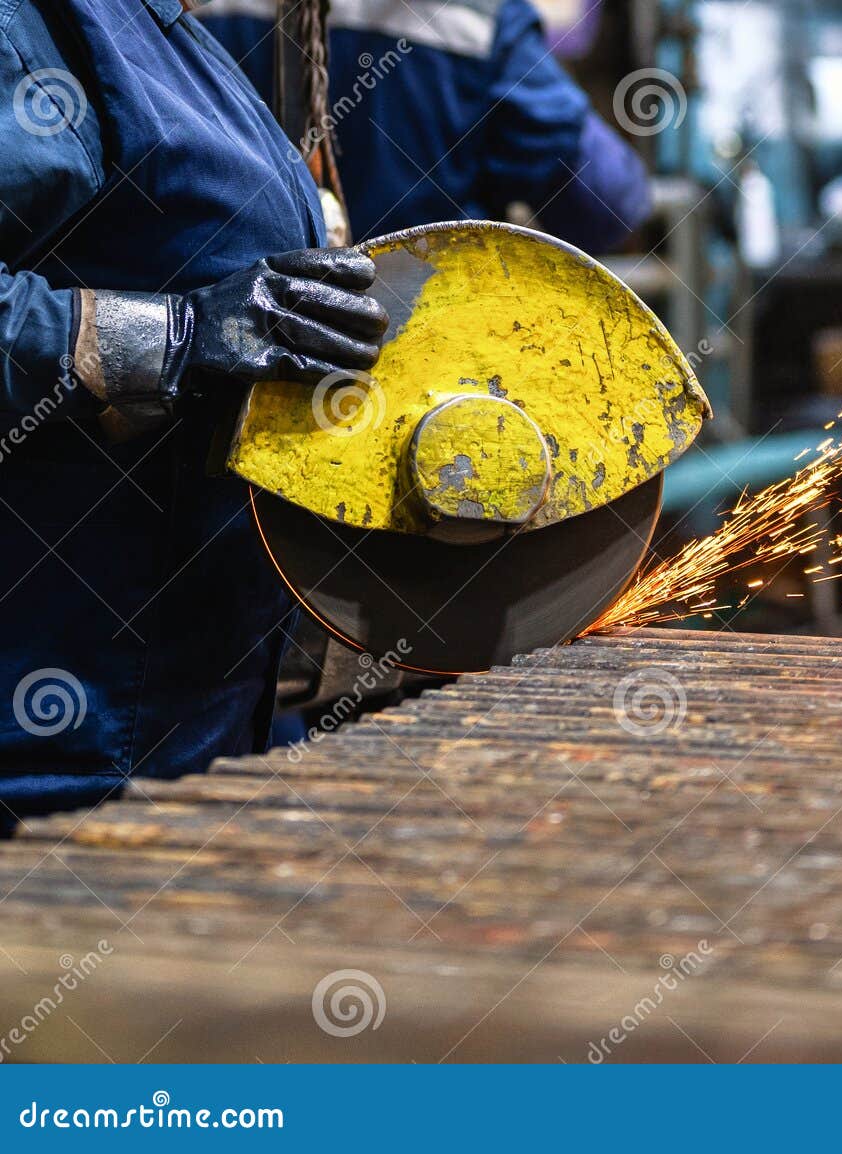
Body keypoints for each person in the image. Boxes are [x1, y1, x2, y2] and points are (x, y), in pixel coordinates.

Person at [0, 0, 389, 822]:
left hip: (193, 723)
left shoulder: (149, 25)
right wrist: (175, 338)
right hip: (61, 749)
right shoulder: (31, 25)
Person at [195, 0, 653, 252]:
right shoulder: (478, 17)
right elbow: (607, 204)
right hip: (424, 359)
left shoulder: (183, 10)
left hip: (236, 361)